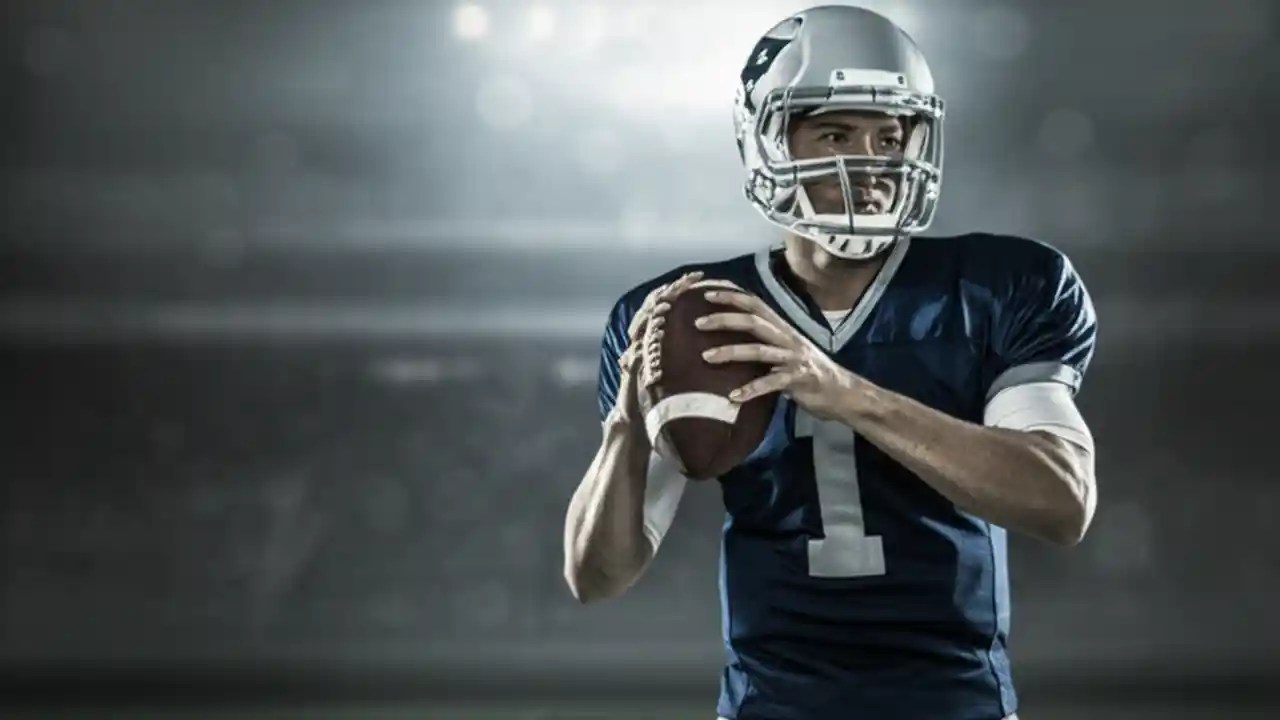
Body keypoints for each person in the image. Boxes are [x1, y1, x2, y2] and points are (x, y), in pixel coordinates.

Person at [562, 6, 1098, 720]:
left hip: (953, 705)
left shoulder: (998, 286)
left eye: (889, 135)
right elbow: (595, 576)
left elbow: (1062, 502)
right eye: (836, 133)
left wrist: (842, 391)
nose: (869, 163)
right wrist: (627, 430)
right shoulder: (690, 312)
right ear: (770, 141)